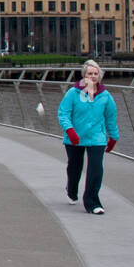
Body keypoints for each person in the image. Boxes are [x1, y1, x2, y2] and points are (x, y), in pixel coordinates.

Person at [57, 59, 119, 214]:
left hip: (96, 137)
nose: (93, 76)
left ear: (100, 76)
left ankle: (92, 202)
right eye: (90, 73)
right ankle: (71, 190)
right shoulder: (73, 93)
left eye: (96, 73)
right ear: (84, 76)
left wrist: (113, 137)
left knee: (96, 169)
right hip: (75, 137)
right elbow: (63, 113)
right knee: (74, 167)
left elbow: (111, 118)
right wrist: (70, 131)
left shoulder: (105, 96)